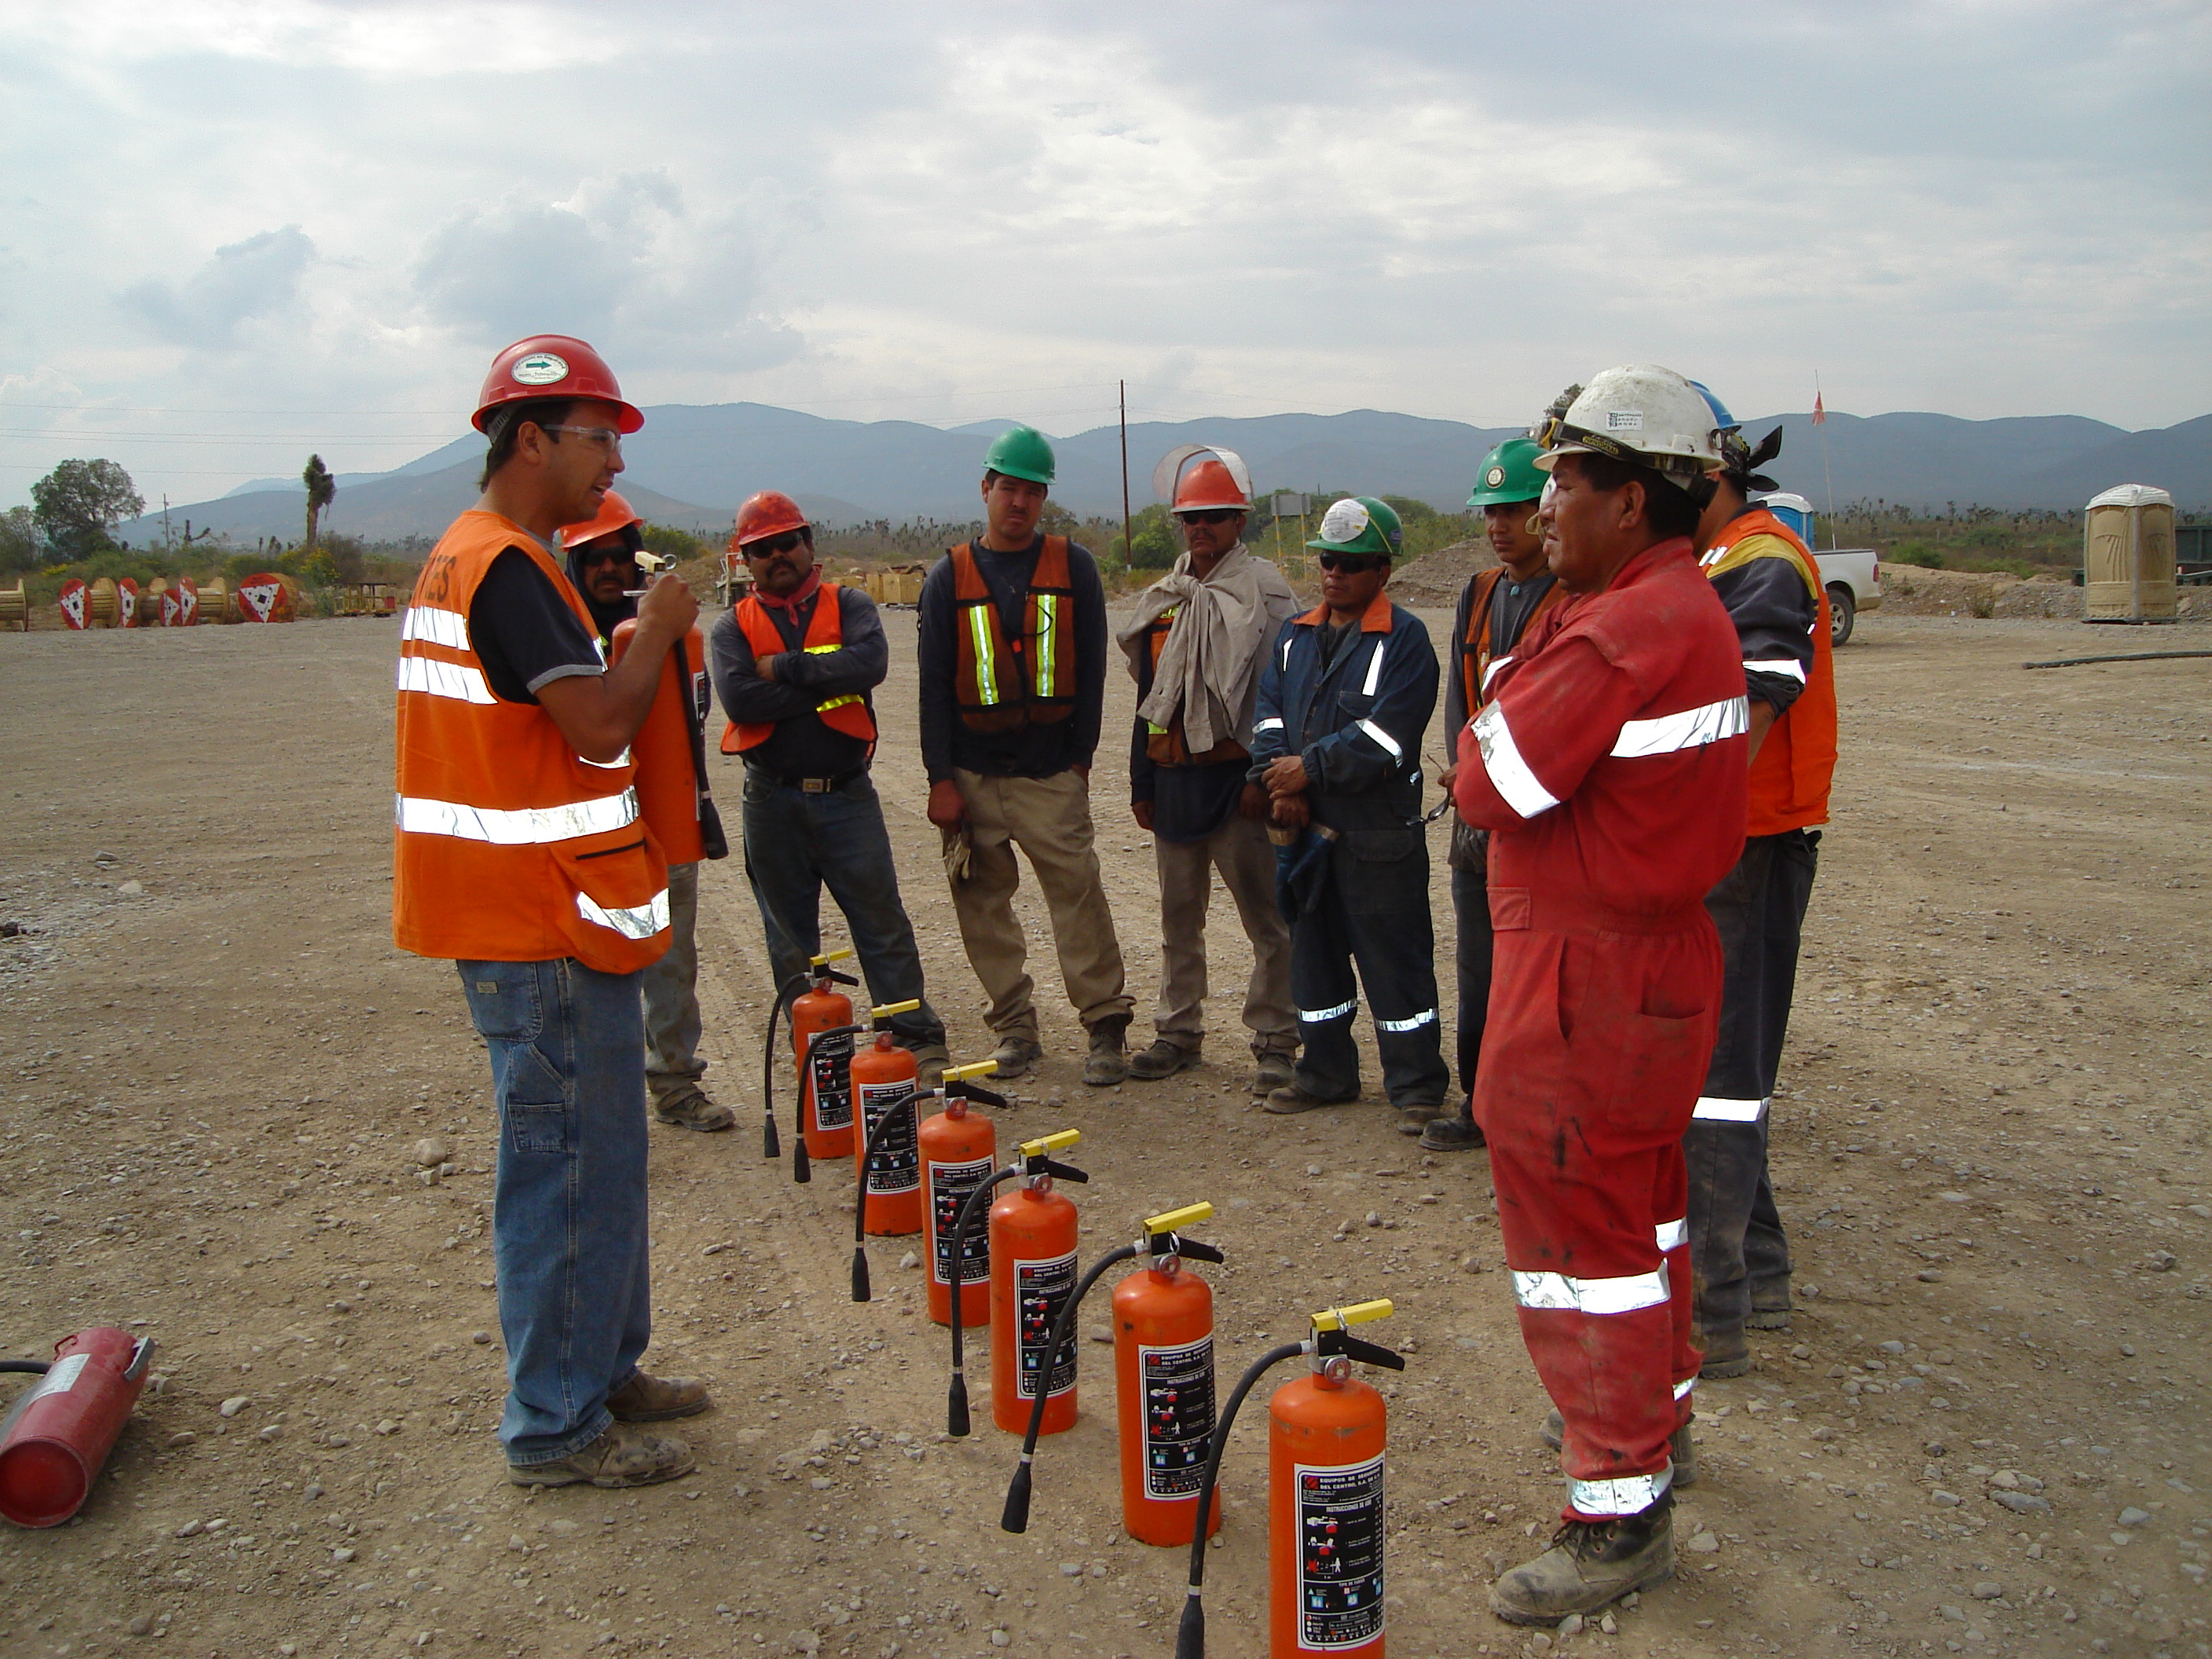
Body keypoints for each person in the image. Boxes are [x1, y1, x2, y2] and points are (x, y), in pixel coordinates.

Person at [1454, 364, 1746, 1621]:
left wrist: (1500, 701)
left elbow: (1485, 782)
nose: (1547, 503)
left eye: (1569, 481)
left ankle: (1617, 1514)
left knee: (1584, 1245)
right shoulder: (1674, 606)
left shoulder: (1621, 628)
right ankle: (1655, 1421)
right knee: (1646, 1213)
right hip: (1649, 965)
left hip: (1585, 978)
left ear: (1635, 499)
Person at [393, 334, 709, 1489]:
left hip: (548, 917)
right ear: (531, 438)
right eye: (599, 436)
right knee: (564, 1170)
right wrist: (661, 633)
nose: (613, 462)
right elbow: (599, 728)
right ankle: (555, 1426)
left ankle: (603, 1369)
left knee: (603, 1155)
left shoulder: (474, 560)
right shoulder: (508, 569)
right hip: (535, 925)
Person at [1679, 386, 1839, 1374]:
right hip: (1730, 842)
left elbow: (1750, 703)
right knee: (1718, 1062)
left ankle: (1718, 1310)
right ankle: (1760, 1266)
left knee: (1722, 1078)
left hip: (1750, 842)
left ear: (1698, 475)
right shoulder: (1715, 558)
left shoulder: (1761, 561)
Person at [917, 426, 1133, 1085]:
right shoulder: (947, 578)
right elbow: (932, 686)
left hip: (1049, 775)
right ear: (986, 488)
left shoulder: (1074, 567)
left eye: (1032, 491)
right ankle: (1014, 1027)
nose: (1019, 502)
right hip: (974, 776)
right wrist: (940, 780)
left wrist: (1080, 761)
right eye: (1008, 487)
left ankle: (1104, 1027)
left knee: (1079, 896)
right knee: (983, 907)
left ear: (1044, 500)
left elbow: (1093, 669)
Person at [708, 490, 950, 1075]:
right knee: (788, 935)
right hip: (770, 798)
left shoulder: (852, 604)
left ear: (808, 543)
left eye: (786, 542)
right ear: (746, 560)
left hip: (846, 795)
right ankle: (814, 1048)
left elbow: (870, 664)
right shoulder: (729, 628)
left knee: (880, 920)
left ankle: (914, 1033)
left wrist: (785, 671)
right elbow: (740, 697)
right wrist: (823, 680)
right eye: (761, 549)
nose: (776, 555)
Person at [1249, 495, 1450, 1128]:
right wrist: (1279, 781)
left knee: (1394, 964)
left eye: (1352, 563)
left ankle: (1416, 1086)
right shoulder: (1295, 636)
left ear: (1382, 571)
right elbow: (1270, 717)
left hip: (1376, 836)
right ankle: (1326, 1073)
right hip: (1307, 831)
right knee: (1314, 956)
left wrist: (1310, 768)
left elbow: (1389, 737)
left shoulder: (1407, 640)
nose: (1335, 573)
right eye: (1328, 560)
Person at [1116, 445, 1301, 1093]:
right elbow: (1152, 699)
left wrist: (1264, 778)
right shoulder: (1166, 599)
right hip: (1173, 783)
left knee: (1268, 923)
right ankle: (1177, 1032)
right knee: (1177, 921)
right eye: (1191, 519)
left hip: (1238, 786)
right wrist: (1142, 781)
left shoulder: (1268, 595)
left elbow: (1287, 693)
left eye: (1216, 517)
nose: (1202, 529)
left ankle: (1277, 1039)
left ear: (1239, 522)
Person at [560, 489, 734, 1133]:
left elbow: (695, 714)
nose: (608, 569)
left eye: (618, 556)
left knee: (669, 961)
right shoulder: (561, 633)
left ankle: (674, 1083)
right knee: (585, 973)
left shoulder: (669, 638)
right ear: (573, 566)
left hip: (662, 822)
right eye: (593, 558)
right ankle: (594, 1104)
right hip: (579, 832)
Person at [1425, 437, 1570, 1152]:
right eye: (1489, 512)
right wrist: (1463, 768)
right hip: (1477, 813)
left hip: (1537, 817)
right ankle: (1479, 1104)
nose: (1499, 526)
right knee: (1478, 965)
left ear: (1543, 512)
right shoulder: (1478, 593)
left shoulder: (1574, 596)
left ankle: (1535, 1109)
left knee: (1539, 971)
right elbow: (1462, 696)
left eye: (1512, 509)